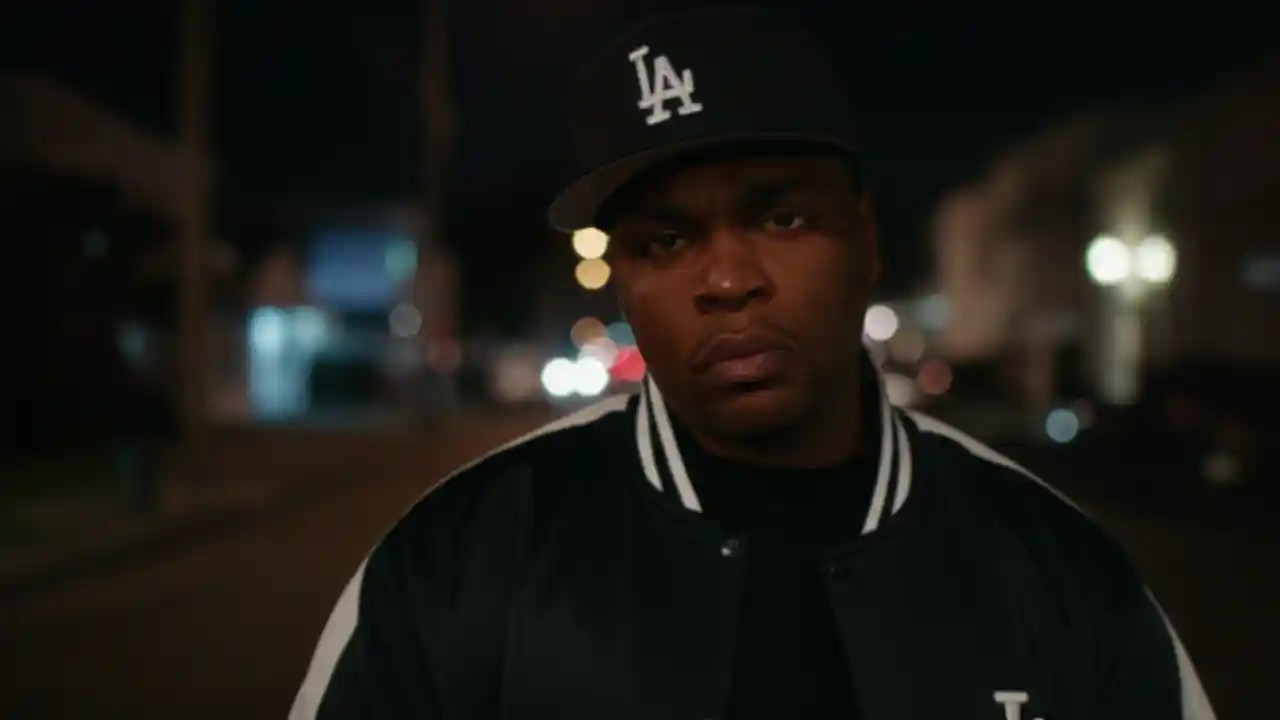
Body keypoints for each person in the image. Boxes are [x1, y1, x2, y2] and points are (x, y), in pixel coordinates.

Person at [291, 7, 1216, 719]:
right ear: (621, 281)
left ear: (865, 237)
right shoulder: (456, 561)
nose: (729, 280)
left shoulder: (1057, 566)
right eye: (665, 240)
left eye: (781, 216)